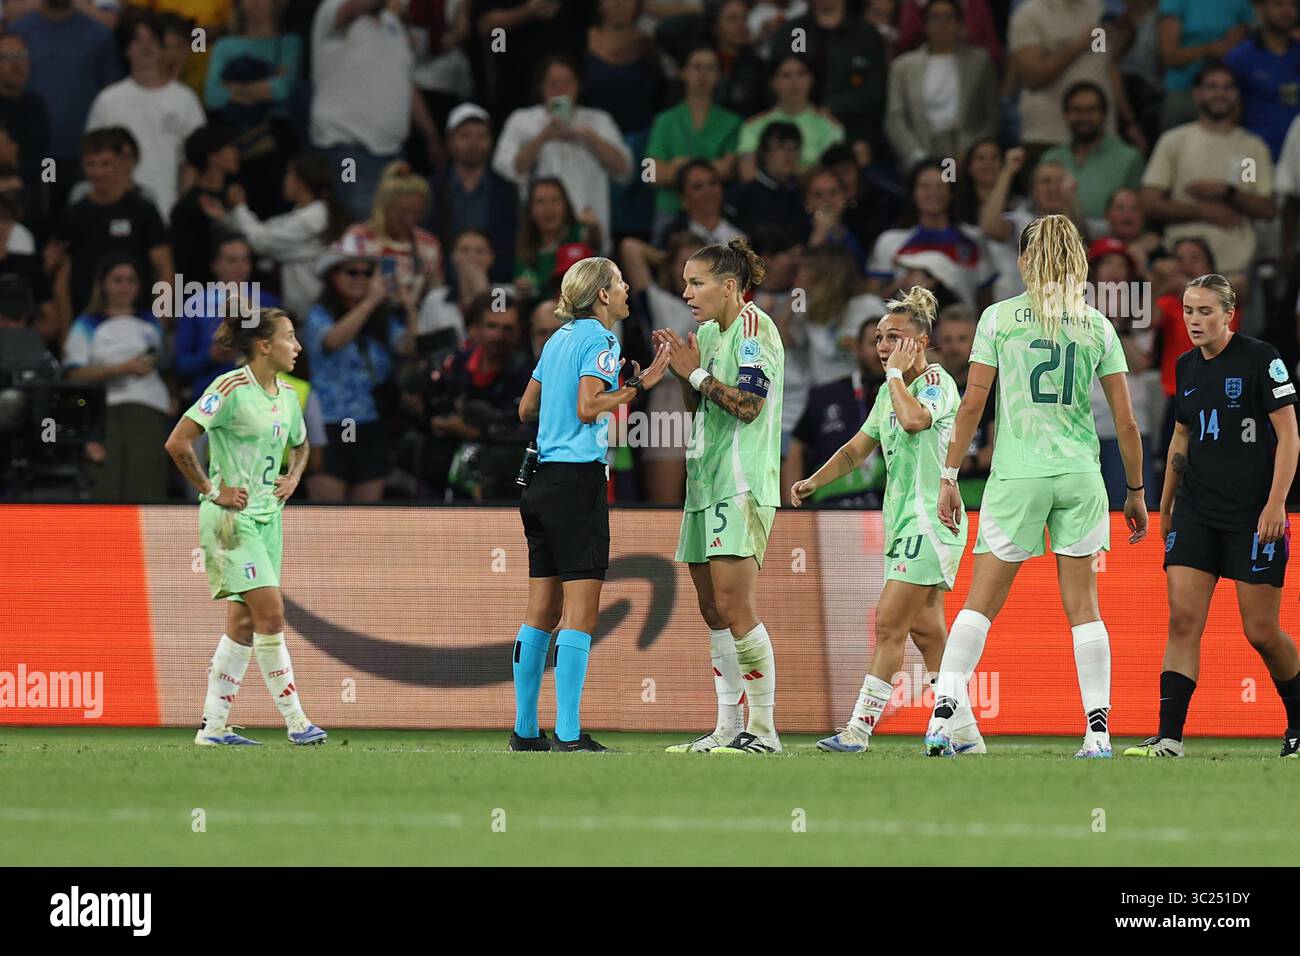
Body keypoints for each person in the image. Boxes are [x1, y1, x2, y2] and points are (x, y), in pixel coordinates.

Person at [925, 214, 1149, 759]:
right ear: (1077, 259)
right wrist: (1137, 491)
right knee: (1083, 606)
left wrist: (950, 475)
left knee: (981, 603)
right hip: (1080, 475)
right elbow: (1125, 422)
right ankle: (1097, 733)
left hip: (1018, 474)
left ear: (1025, 261)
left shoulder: (999, 318)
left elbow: (973, 403)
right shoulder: (1096, 324)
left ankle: (942, 717)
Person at [792, 287, 983, 753]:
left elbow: (916, 420)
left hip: (930, 523)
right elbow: (857, 449)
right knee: (927, 632)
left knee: (889, 625)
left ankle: (859, 729)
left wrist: (897, 375)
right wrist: (815, 480)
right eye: (879, 337)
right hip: (902, 524)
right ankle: (966, 734)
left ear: (919, 342)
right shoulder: (888, 390)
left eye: (893, 338)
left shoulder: (936, 382)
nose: (882, 347)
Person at [1125, 274, 1300, 759]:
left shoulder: (1263, 359)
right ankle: (1169, 738)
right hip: (1197, 511)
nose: (1194, 320)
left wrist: (1276, 502)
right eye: (1188, 311)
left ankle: (1298, 722)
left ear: (1229, 314)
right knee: (1182, 621)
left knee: (1261, 632)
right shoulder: (1185, 366)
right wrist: (1167, 503)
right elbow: (1181, 438)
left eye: (1205, 311)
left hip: (1254, 515)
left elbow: (1289, 435)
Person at [511, 257, 671, 752]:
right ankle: (569, 733)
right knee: (580, 615)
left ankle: (524, 732)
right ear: (603, 295)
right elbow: (588, 406)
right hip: (577, 483)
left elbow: (525, 408)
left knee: (541, 610)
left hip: (539, 483)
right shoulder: (602, 340)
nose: (626, 290)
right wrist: (640, 384)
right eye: (621, 283)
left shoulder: (556, 339)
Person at [163, 306, 327, 747]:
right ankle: (297, 722)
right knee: (271, 615)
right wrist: (211, 490)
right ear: (263, 345)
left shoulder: (289, 395)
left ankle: (213, 727)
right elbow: (178, 441)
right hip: (232, 523)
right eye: (289, 337)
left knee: (241, 624)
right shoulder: (229, 387)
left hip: (269, 519)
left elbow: (302, 445)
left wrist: (293, 477)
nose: (297, 346)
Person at [652, 237, 787, 754]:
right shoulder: (708, 333)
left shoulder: (757, 328)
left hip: (742, 481)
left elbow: (749, 405)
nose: (685, 291)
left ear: (729, 287)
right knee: (712, 609)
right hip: (704, 481)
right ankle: (727, 728)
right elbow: (702, 407)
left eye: (696, 282)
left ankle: (765, 730)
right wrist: (684, 372)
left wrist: (697, 373)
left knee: (736, 605)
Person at [62, 254, 170, 501]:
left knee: (146, 485)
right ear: (103, 285)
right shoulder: (87, 324)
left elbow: (164, 364)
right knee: (106, 488)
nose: (124, 287)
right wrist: (120, 368)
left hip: (149, 407)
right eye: (117, 280)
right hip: (105, 410)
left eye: (131, 280)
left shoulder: (150, 322)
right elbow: (73, 373)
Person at [84, 11, 205, 223]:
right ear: (126, 50)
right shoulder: (108, 100)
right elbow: (94, 157)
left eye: (152, 39)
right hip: (117, 212)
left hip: (170, 211)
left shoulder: (185, 99)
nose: (146, 46)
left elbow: (194, 161)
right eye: (137, 39)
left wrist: (183, 209)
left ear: (161, 47)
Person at [206, 151, 350, 320]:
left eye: (289, 174)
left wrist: (239, 207)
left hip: (316, 313)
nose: (285, 180)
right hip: (307, 312)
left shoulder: (313, 218)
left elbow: (261, 241)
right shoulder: (303, 214)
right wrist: (225, 217)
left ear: (301, 182)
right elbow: (264, 231)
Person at [883, 0, 998, 173]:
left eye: (948, 17)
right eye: (935, 17)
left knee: (955, 189)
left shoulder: (980, 62)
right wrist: (918, 157)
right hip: (921, 149)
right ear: (925, 24)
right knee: (935, 188)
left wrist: (971, 154)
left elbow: (991, 114)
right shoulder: (903, 67)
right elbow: (895, 118)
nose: (942, 24)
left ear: (959, 23)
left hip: (966, 153)